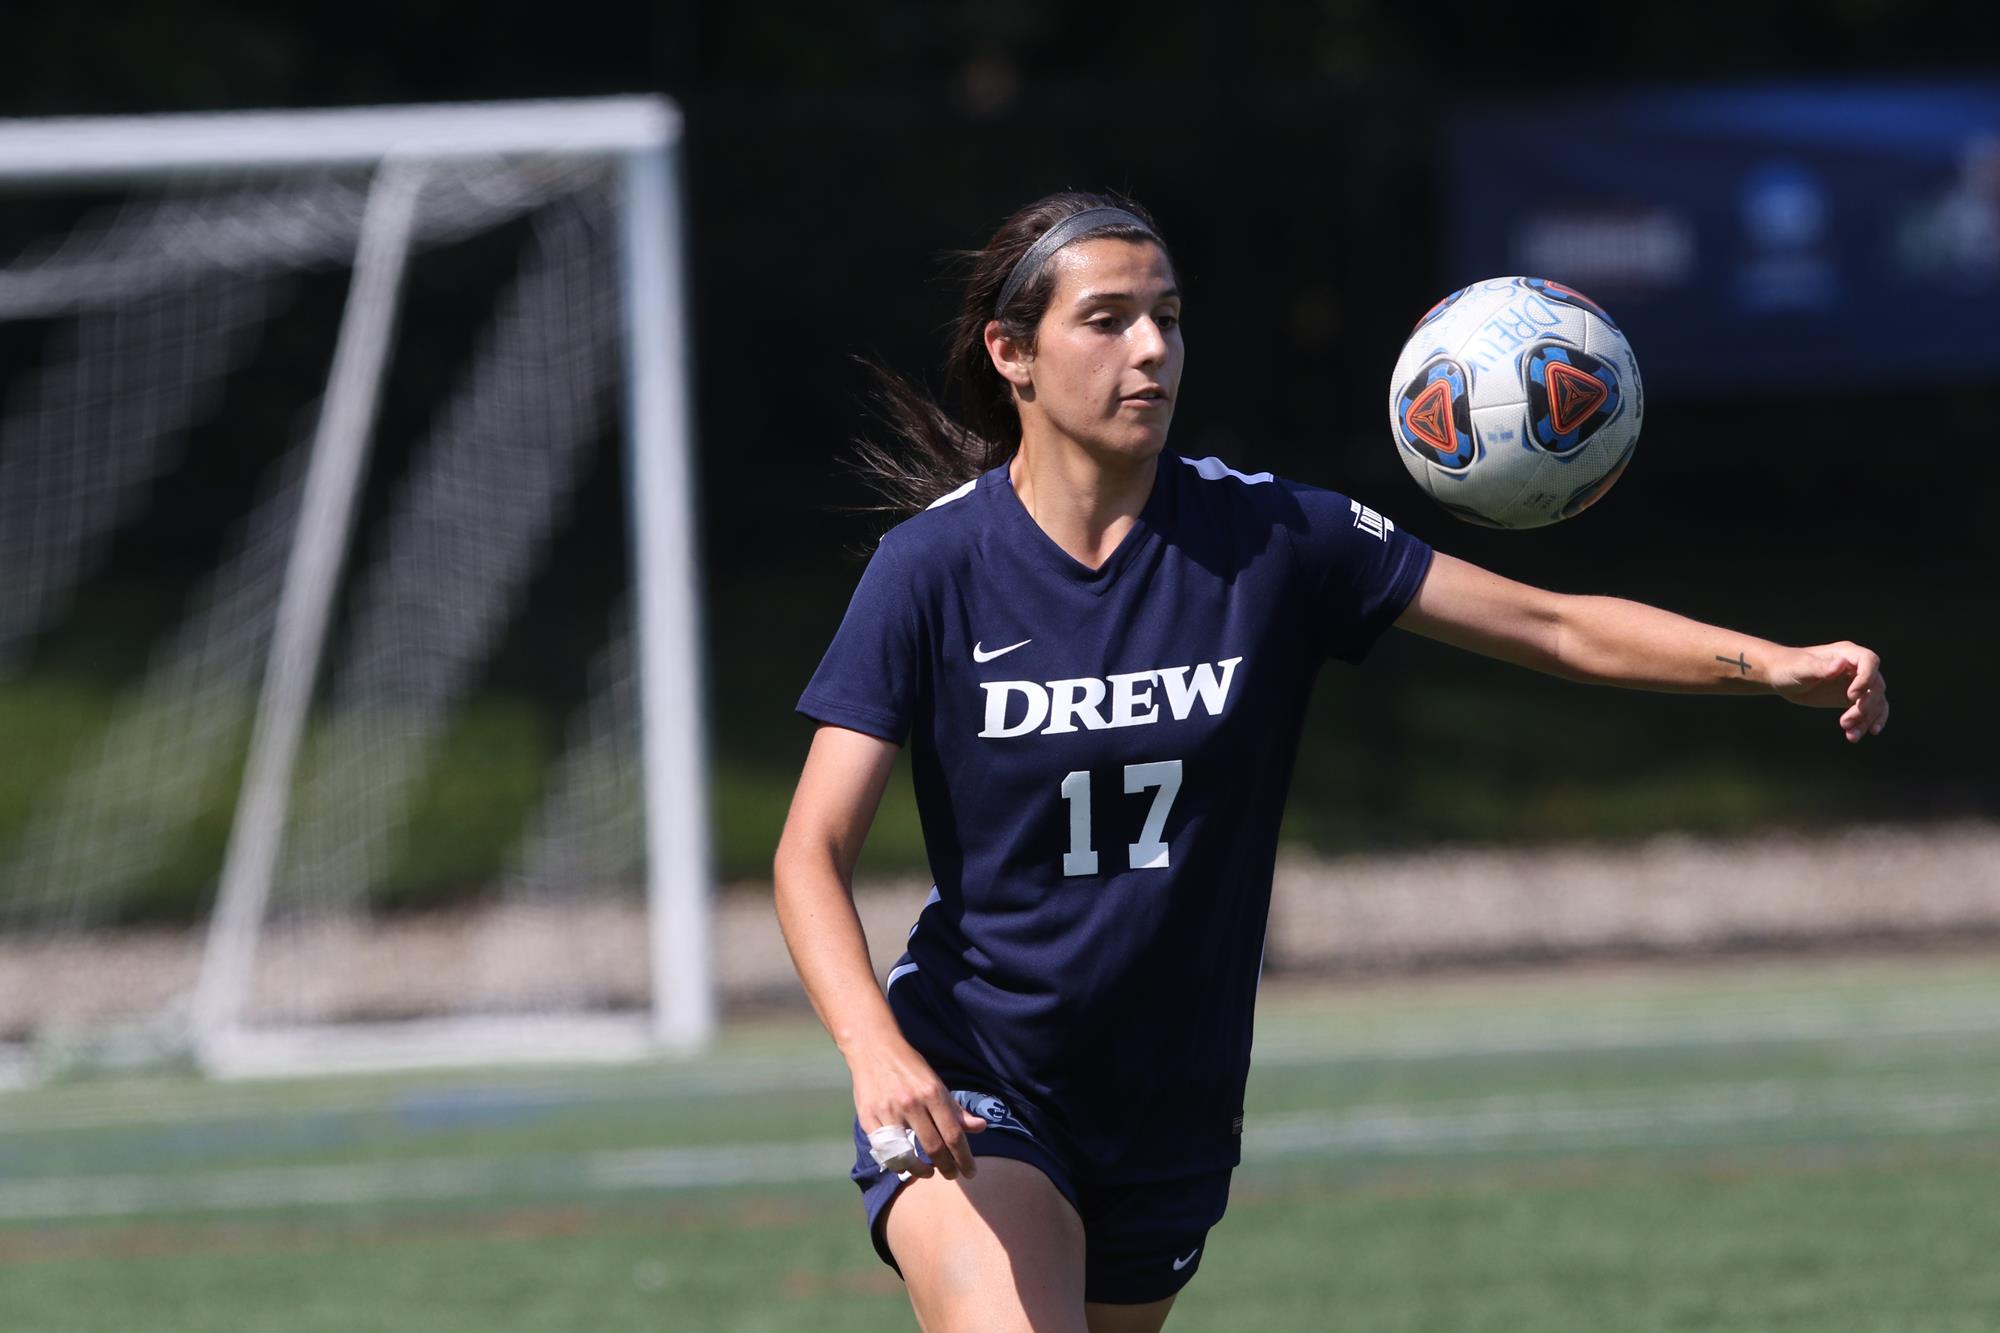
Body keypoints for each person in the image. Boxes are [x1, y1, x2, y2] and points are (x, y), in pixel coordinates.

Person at [772, 191, 1888, 1333]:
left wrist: (1769, 664)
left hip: (1172, 1092)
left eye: (1166, 315)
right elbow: (809, 850)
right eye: (1106, 320)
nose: (1151, 347)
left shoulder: (1270, 540)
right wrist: (876, 1052)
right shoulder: (932, 568)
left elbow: (1549, 625)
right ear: (1011, 352)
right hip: (974, 1069)